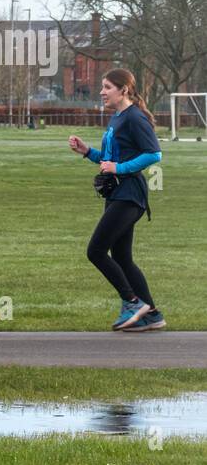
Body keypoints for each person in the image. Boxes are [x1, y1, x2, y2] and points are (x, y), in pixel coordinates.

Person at [69, 68, 164, 331]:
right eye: (102, 87)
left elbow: (154, 155)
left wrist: (119, 169)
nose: (101, 92)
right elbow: (111, 159)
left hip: (129, 195)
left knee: (96, 250)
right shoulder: (118, 117)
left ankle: (132, 302)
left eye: (107, 87)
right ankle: (152, 314)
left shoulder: (134, 117)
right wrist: (87, 151)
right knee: (121, 257)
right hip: (117, 194)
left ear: (124, 90)